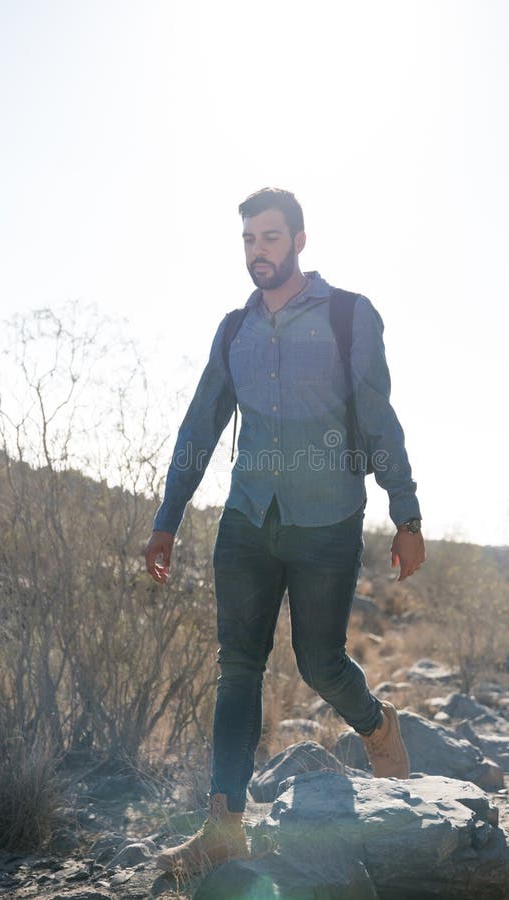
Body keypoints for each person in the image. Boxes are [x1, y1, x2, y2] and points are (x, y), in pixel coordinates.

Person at [144, 187, 425, 878]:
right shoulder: (232, 329)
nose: (257, 251)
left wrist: (406, 511)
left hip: (327, 518)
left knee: (318, 661)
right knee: (236, 666)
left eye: (269, 237)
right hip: (246, 519)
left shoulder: (347, 315)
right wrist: (166, 520)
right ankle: (223, 825)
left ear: (298, 240)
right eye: (247, 239)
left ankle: (378, 727)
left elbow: (377, 414)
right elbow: (200, 425)